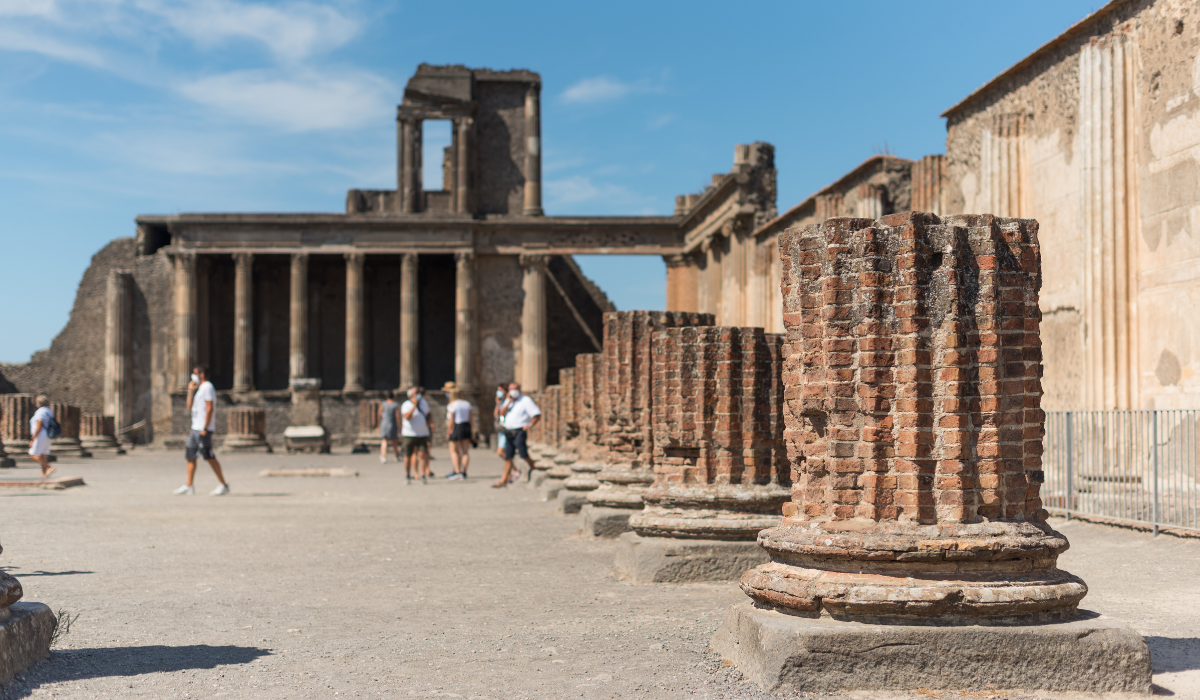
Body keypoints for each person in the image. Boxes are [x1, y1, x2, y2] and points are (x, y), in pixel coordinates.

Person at [175, 365, 230, 496]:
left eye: (195, 373)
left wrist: (205, 427)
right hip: (195, 428)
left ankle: (223, 484)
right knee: (190, 456)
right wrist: (190, 391)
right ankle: (189, 485)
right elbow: (189, 407)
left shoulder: (208, 387)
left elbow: (210, 408)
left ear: (202, 374)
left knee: (209, 456)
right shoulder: (199, 389)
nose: (192, 376)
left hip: (203, 429)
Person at [493, 382, 540, 488]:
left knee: (523, 453)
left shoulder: (525, 400)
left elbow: (536, 414)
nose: (513, 391)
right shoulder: (508, 401)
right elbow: (501, 414)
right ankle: (503, 480)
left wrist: (530, 425)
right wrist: (508, 401)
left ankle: (533, 467)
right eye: (511, 389)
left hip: (519, 431)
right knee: (508, 456)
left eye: (515, 389)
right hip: (509, 432)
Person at [400, 386, 431, 484]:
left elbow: (429, 414)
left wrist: (429, 422)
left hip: (422, 433)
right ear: (410, 395)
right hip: (409, 434)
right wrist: (414, 406)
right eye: (416, 393)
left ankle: (423, 475)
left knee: (422, 454)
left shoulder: (424, 403)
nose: (418, 395)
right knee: (408, 455)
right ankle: (407, 475)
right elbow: (407, 417)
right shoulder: (406, 405)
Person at [444, 383, 472, 480]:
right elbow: (471, 419)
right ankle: (464, 472)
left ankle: (457, 471)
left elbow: (451, 420)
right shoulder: (467, 404)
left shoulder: (452, 405)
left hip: (457, 427)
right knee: (465, 451)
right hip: (466, 426)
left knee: (454, 451)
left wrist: (448, 432)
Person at [28, 395, 55, 478]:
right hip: (48, 435)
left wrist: (33, 438)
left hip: (41, 434)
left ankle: (48, 467)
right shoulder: (49, 411)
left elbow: (39, 426)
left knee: (32, 453)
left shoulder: (40, 411)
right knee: (43, 455)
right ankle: (44, 474)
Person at [378, 391, 401, 464]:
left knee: (384, 440)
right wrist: (399, 424)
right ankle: (396, 456)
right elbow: (397, 416)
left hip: (384, 423)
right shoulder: (395, 405)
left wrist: (379, 423)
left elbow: (379, 414)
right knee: (394, 440)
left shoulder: (383, 404)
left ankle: (383, 456)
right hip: (392, 423)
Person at [492, 384, 509, 459]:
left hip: (507, 427)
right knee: (503, 452)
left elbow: (502, 412)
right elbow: (496, 415)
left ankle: (515, 469)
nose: (499, 392)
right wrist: (497, 404)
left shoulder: (509, 401)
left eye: (500, 390)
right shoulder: (501, 401)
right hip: (501, 428)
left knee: (500, 452)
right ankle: (514, 469)